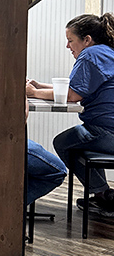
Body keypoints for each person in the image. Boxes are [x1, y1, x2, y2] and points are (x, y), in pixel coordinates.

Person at [26, 13, 114, 218]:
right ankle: (102, 194)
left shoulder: (91, 55)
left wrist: (34, 93)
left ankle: (104, 196)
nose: (68, 46)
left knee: (63, 143)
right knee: (76, 142)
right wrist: (39, 86)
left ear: (87, 40)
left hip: (106, 133)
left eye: (70, 40)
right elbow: (74, 89)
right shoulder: (106, 52)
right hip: (108, 131)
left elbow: (73, 96)